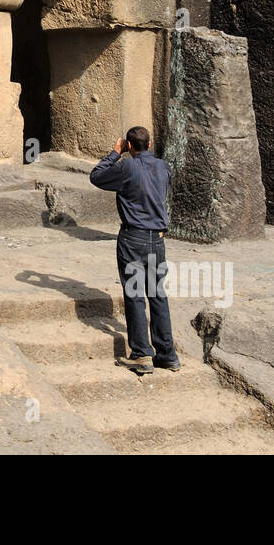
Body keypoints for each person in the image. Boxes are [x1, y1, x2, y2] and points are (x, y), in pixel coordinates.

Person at [89, 125, 180, 375]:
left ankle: (141, 354)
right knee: (157, 295)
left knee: (135, 295)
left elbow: (97, 176)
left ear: (128, 146)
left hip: (133, 238)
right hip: (157, 239)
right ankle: (167, 354)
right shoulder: (163, 167)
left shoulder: (125, 167)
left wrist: (114, 153)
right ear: (149, 145)